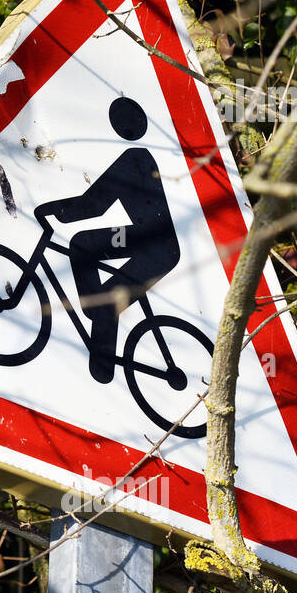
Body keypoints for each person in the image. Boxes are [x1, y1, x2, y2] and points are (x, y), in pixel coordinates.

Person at [34, 96, 180, 384]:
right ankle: (97, 314)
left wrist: (52, 211)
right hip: (142, 237)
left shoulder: (135, 160)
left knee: (101, 290)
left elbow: (94, 204)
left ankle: (103, 368)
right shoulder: (136, 157)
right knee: (84, 244)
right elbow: (95, 203)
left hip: (157, 246)